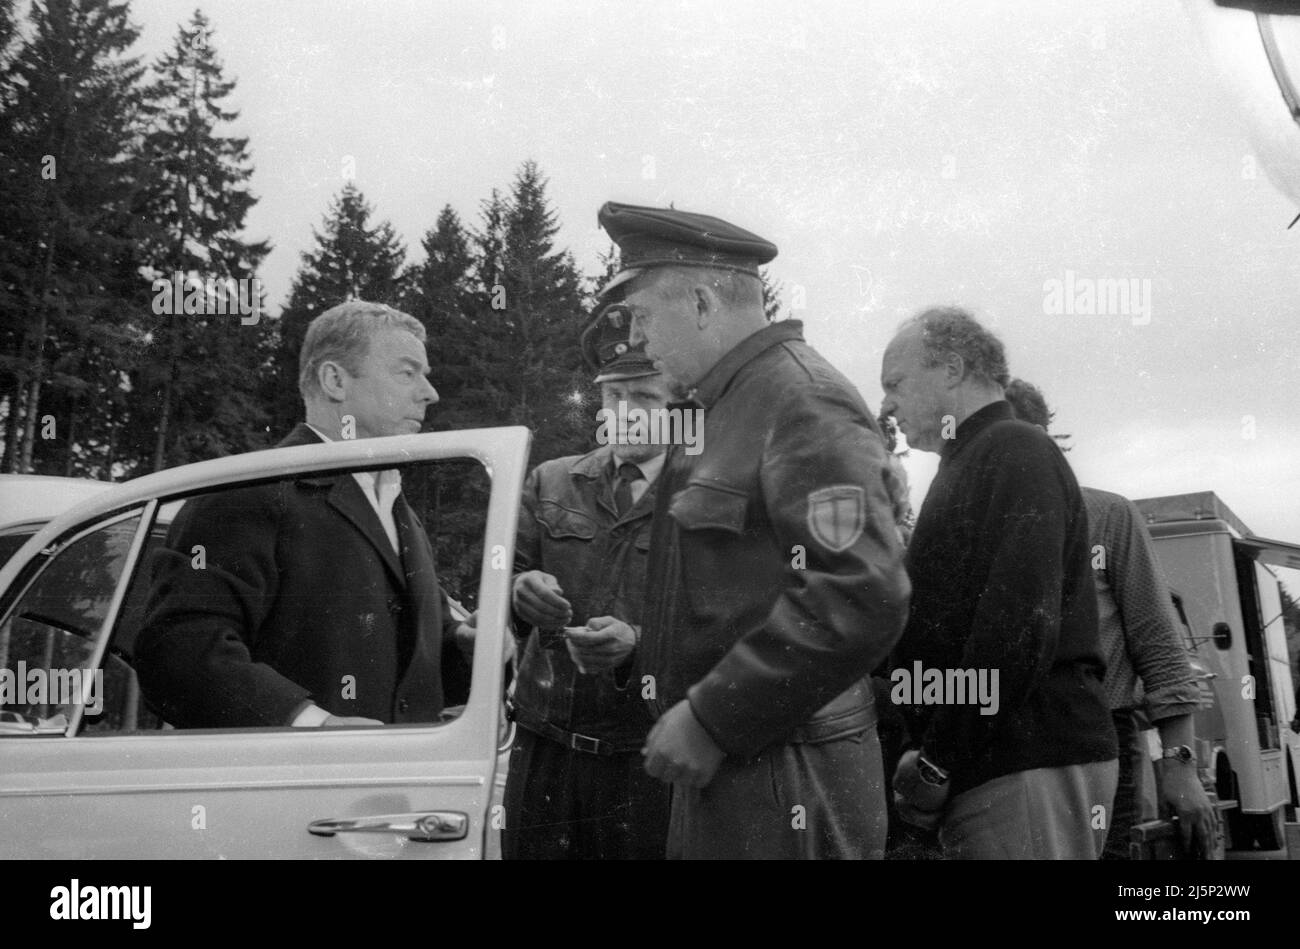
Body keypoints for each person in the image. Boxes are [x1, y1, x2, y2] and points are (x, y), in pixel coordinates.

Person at [600, 200, 911, 859]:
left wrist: (714, 716)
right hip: (741, 760)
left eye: (645, 316)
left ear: (704, 302)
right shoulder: (722, 407)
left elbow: (862, 588)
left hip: (787, 769)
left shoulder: (799, 398)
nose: (638, 341)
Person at [137, 301, 469, 728]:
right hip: (292, 787)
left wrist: (466, 646)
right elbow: (178, 653)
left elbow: (413, 671)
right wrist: (311, 724)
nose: (429, 393)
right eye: (408, 373)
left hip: (395, 786)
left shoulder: (403, 514)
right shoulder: (246, 491)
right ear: (335, 380)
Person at [880, 306, 1117, 859]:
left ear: (953, 369)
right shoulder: (974, 459)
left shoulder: (1013, 448)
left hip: (1024, 759)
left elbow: (1017, 627)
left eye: (895, 383)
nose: (886, 404)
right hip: (998, 761)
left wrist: (939, 758)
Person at [1003, 377, 1216, 859]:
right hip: (1001, 738)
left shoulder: (1107, 516)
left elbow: (1158, 644)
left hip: (1099, 734)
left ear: (1043, 439)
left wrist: (1180, 768)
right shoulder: (970, 525)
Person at [502, 310, 673, 859]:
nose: (625, 414)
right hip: (543, 750)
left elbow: (728, 629)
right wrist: (521, 590)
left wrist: (638, 645)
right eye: (612, 397)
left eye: (644, 398)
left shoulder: (708, 500)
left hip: (648, 766)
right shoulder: (550, 480)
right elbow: (504, 585)